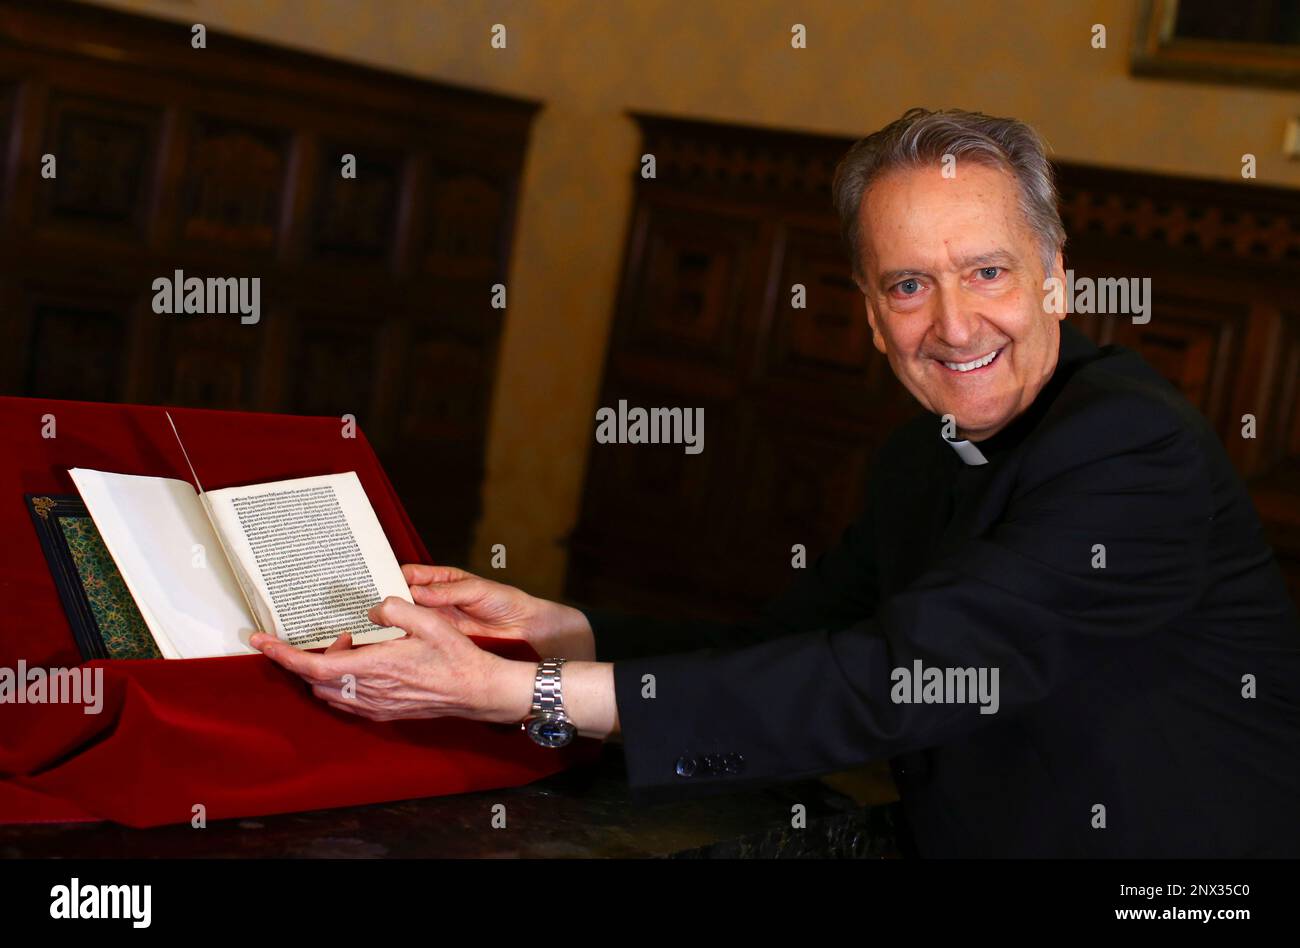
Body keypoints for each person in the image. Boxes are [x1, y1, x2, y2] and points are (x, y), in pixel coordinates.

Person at [251, 108, 1300, 857]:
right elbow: (790, 649)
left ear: (1056, 278)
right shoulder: (919, 456)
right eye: (909, 285)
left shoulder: (1132, 448)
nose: (954, 324)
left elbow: (899, 678)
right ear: (871, 315)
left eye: (987, 271)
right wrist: (555, 633)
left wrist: (519, 694)